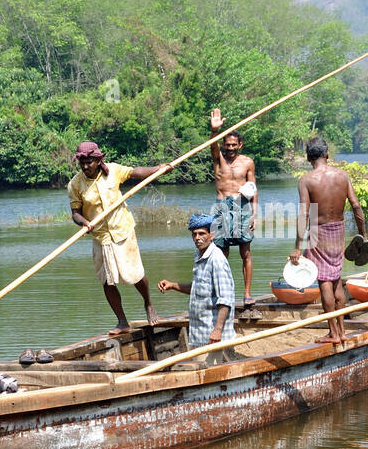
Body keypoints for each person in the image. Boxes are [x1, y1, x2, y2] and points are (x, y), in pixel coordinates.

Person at [68, 141, 172, 333]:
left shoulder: (113, 171)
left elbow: (135, 172)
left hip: (122, 230)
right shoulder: (75, 184)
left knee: (134, 274)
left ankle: (148, 303)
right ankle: (122, 321)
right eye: (82, 163)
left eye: (89, 162)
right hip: (100, 236)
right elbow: (75, 212)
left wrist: (158, 169)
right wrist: (84, 222)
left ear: (98, 160)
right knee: (107, 280)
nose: (85, 166)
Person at [289, 136, 368, 344]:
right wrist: (363, 236)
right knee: (336, 281)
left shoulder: (306, 180)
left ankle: (333, 333)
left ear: (308, 157)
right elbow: (356, 206)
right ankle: (341, 331)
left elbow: (304, 215)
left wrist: (297, 247)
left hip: (318, 231)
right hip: (339, 230)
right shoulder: (342, 175)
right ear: (327, 155)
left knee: (324, 281)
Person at [158, 214, 235, 354]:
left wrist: (217, 330)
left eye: (202, 234)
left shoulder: (216, 259)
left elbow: (226, 299)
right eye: (194, 234)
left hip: (214, 339)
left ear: (212, 235)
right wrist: (173, 285)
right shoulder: (198, 255)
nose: (197, 238)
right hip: (199, 335)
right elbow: (198, 289)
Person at [208, 108, 259, 312]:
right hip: (221, 207)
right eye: (226, 145)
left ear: (240, 145)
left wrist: (255, 214)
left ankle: (247, 294)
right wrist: (214, 131)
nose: (229, 149)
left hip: (242, 207)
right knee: (221, 253)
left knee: (245, 252)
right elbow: (212, 145)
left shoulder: (247, 162)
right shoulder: (218, 159)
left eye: (233, 145)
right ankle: (224, 291)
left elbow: (253, 189)